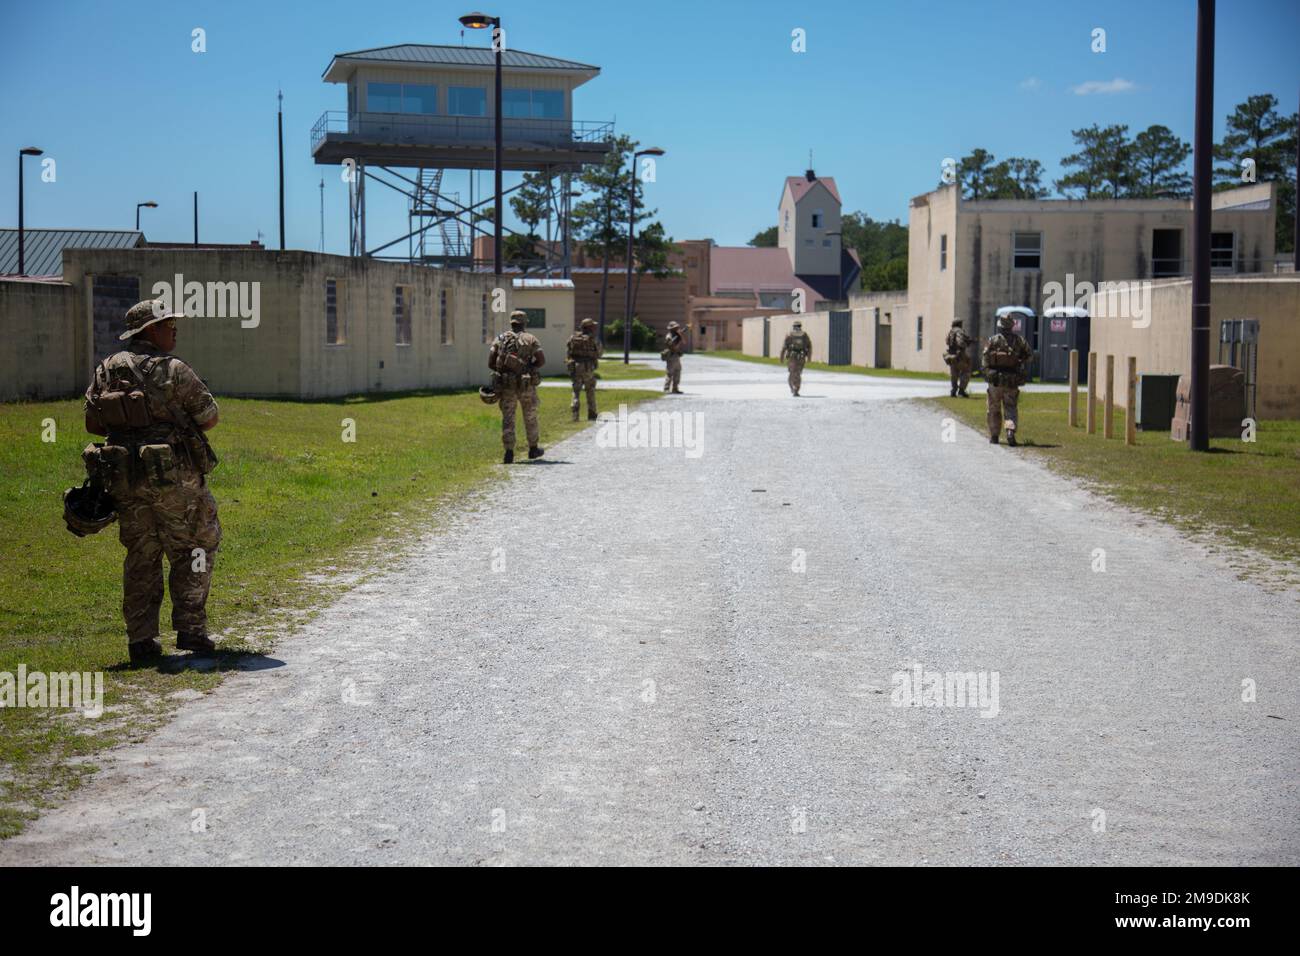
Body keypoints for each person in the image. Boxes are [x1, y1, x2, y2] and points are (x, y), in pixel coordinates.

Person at [83, 299, 222, 663]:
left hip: (126, 480)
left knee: (142, 556)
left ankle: (141, 641)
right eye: (168, 324)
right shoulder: (173, 369)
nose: (174, 329)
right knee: (193, 549)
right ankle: (191, 631)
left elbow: (93, 424)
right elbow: (209, 417)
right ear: (150, 331)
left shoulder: (107, 369)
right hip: (175, 482)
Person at [488, 310, 546, 463]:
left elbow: (490, 362)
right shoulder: (531, 338)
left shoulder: (500, 339)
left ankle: (508, 452)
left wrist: (504, 371)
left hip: (507, 385)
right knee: (530, 415)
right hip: (526, 384)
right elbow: (541, 360)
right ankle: (533, 449)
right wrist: (529, 367)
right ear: (524, 322)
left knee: (508, 417)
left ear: (511, 322)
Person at [982, 313, 1033, 446]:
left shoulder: (992, 340)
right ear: (1011, 326)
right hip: (1012, 380)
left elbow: (985, 359)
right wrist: (1019, 359)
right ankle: (1010, 432)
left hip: (995, 381)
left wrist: (988, 372)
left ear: (1000, 327)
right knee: (1010, 407)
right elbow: (1030, 357)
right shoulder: (1020, 341)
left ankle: (994, 436)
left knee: (993, 408)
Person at [565, 317, 603, 421]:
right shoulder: (593, 339)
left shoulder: (573, 338)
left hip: (575, 367)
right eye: (593, 326)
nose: (595, 328)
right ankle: (592, 413)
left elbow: (568, 352)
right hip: (588, 367)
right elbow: (599, 354)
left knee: (576, 391)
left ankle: (575, 414)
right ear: (589, 327)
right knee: (590, 390)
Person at [779, 320, 812, 396]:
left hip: (792, 358)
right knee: (798, 373)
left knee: (793, 373)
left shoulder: (789, 335)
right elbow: (809, 347)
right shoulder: (804, 335)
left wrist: (781, 358)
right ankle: (796, 389)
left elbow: (784, 347)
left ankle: (793, 388)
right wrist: (809, 357)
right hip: (801, 357)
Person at [944, 318, 974, 398]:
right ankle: (961, 390)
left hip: (951, 355)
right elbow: (960, 342)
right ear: (959, 324)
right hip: (960, 355)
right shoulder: (959, 331)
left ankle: (953, 391)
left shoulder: (951, 331)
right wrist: (967, 343)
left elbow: (947, 341)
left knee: (954, 374)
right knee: (966, 371)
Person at [662, 321, 685, 394]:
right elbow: (671, 346)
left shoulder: (678, 335)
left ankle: (675, 388)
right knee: (670, 373)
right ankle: (666, 388)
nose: (677, 329)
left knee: (677, 372)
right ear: (671, 329)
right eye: (675, 328)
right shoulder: (669, 336)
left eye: (677, 327)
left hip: (676, 356)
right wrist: (677, 348)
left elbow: (684, 342)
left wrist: (681, 335)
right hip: (671, 356)